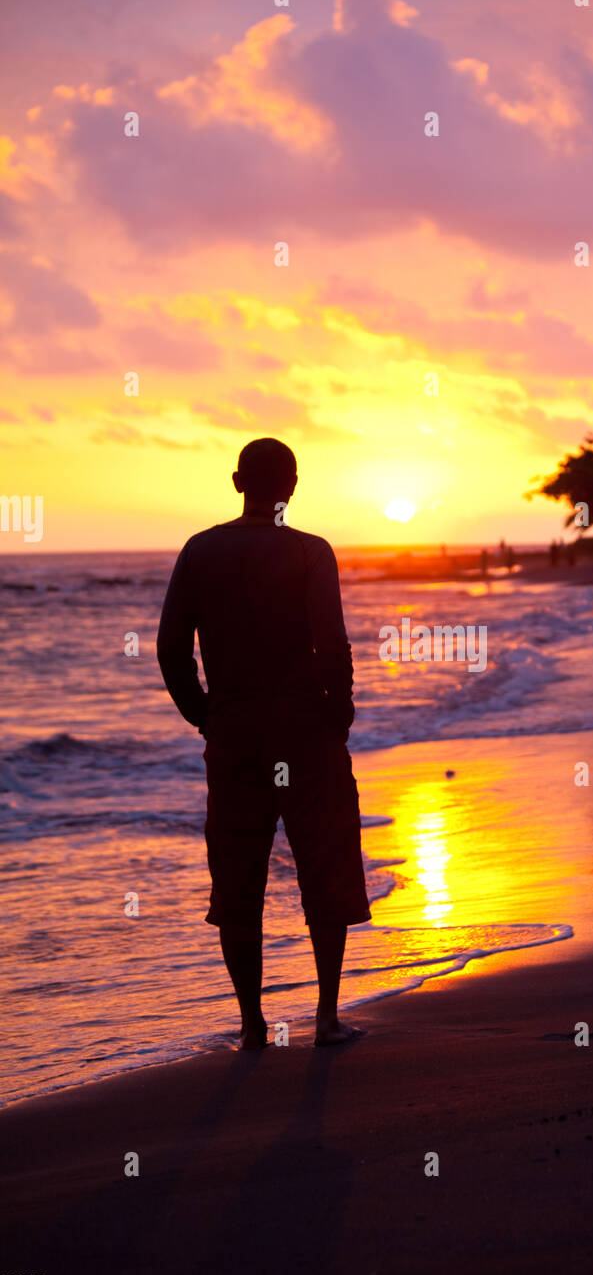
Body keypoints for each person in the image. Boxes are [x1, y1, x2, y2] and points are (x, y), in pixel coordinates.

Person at [157, 437, 370, 1050]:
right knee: (325, 868)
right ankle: (326, 1017)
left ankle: (253, 1027)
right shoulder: (310, 553)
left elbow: (172, 651)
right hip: (306, 733)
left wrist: (206, 715)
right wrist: (339, 717)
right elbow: (332, 646)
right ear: (294, 486)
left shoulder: (201, 551)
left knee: (238, 877)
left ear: (235, 482)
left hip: (237, 737)